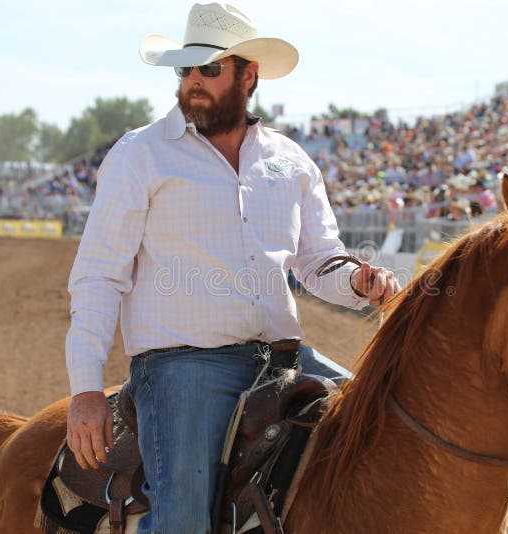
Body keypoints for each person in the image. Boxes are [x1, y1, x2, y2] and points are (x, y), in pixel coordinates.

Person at [64, 3, 400, 533]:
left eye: (209, 68)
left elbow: (318, 261)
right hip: (182, 369)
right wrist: (86, 392)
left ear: (249, 74)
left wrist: (356, 279)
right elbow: (99, 276)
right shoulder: (141, 154)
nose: (193, 80)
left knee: (385, 429)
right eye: (185, 69)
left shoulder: (291, 162)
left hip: (285, 359)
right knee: (185, 520)